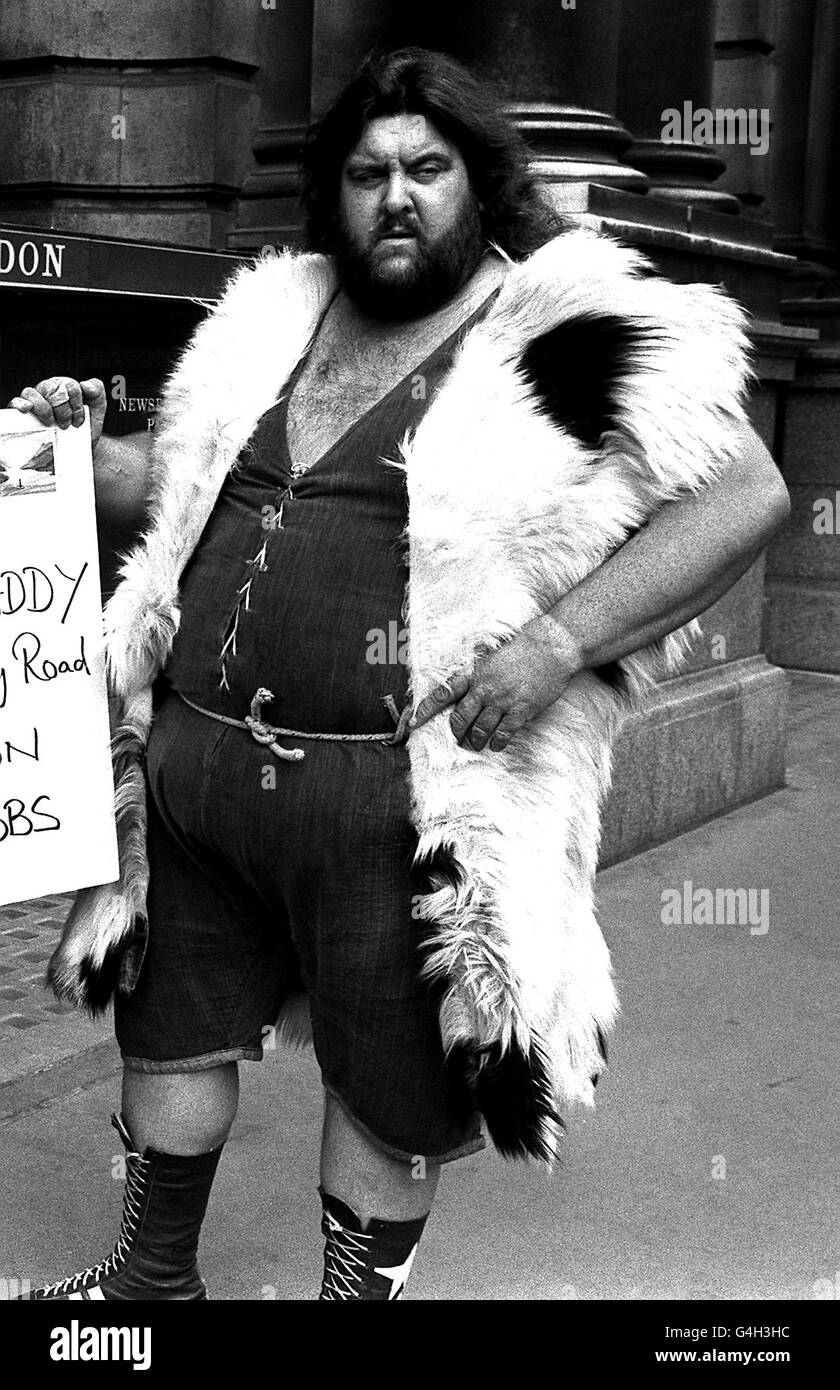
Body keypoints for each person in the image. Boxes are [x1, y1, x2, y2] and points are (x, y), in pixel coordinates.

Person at [9, 47, 789, 1302]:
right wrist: (75, 458)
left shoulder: (560, 321)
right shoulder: (274, 314)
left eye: (428, 168)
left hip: (402, 802)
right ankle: (151, 1286)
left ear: (479, 180)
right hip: (198, 777)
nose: (397, 197)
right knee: (169, 1025)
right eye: (368, 172)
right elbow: (189, 494)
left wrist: (557, 644)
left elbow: (748, 492)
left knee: (387, 1080)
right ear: (336, 191)